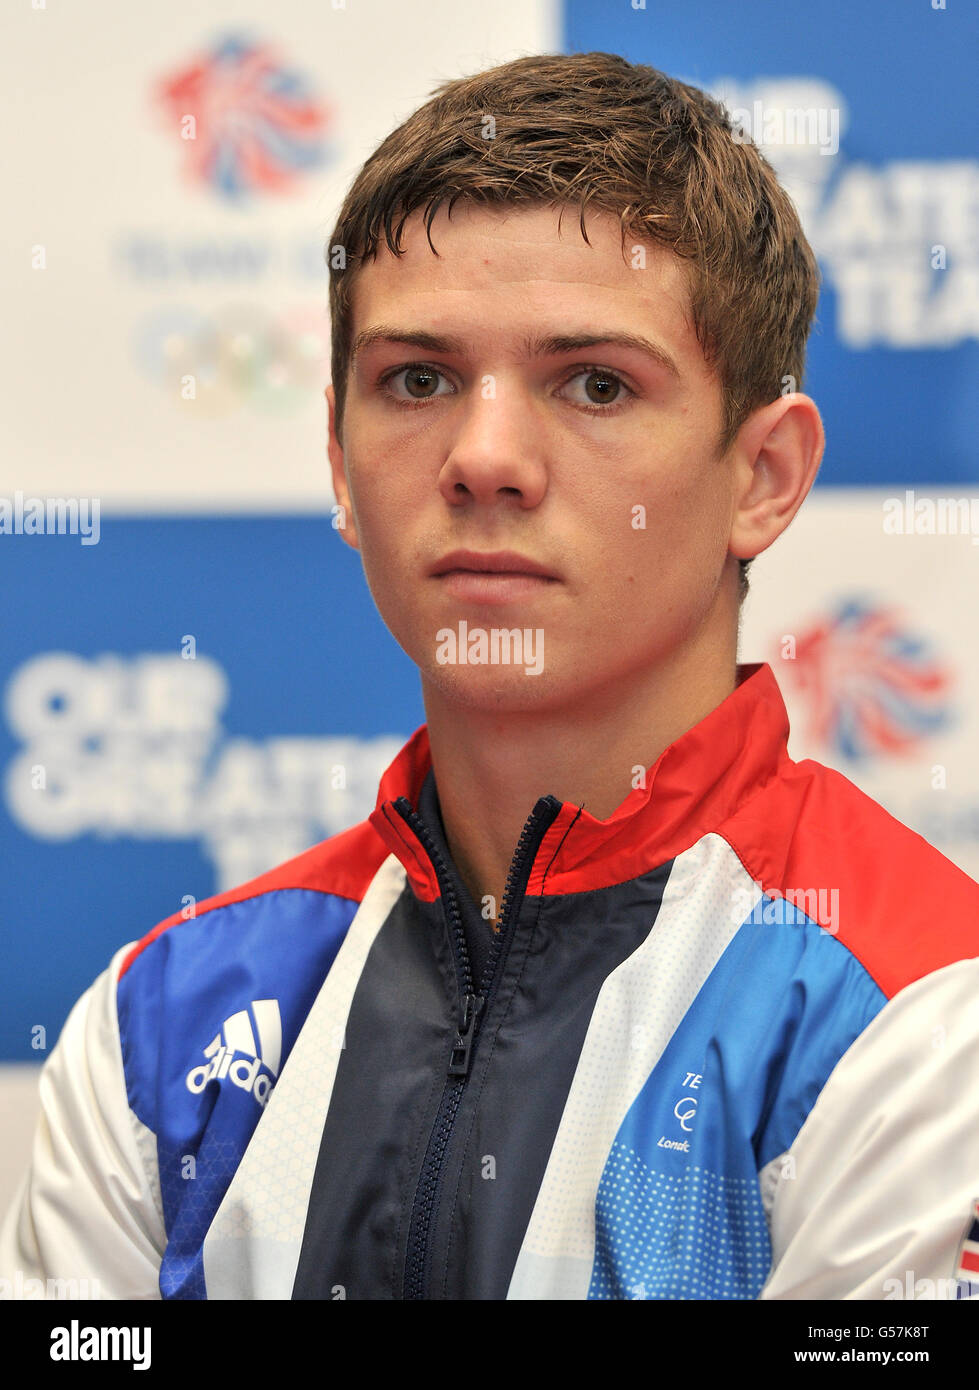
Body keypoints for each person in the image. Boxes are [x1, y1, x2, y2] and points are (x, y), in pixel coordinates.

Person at [3, 49, 978, 1303]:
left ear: (764, 477)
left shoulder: (922, 1008)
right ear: (343, 468)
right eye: (417, 380)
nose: (484, 457)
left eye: (592, 383)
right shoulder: (164, 1028)